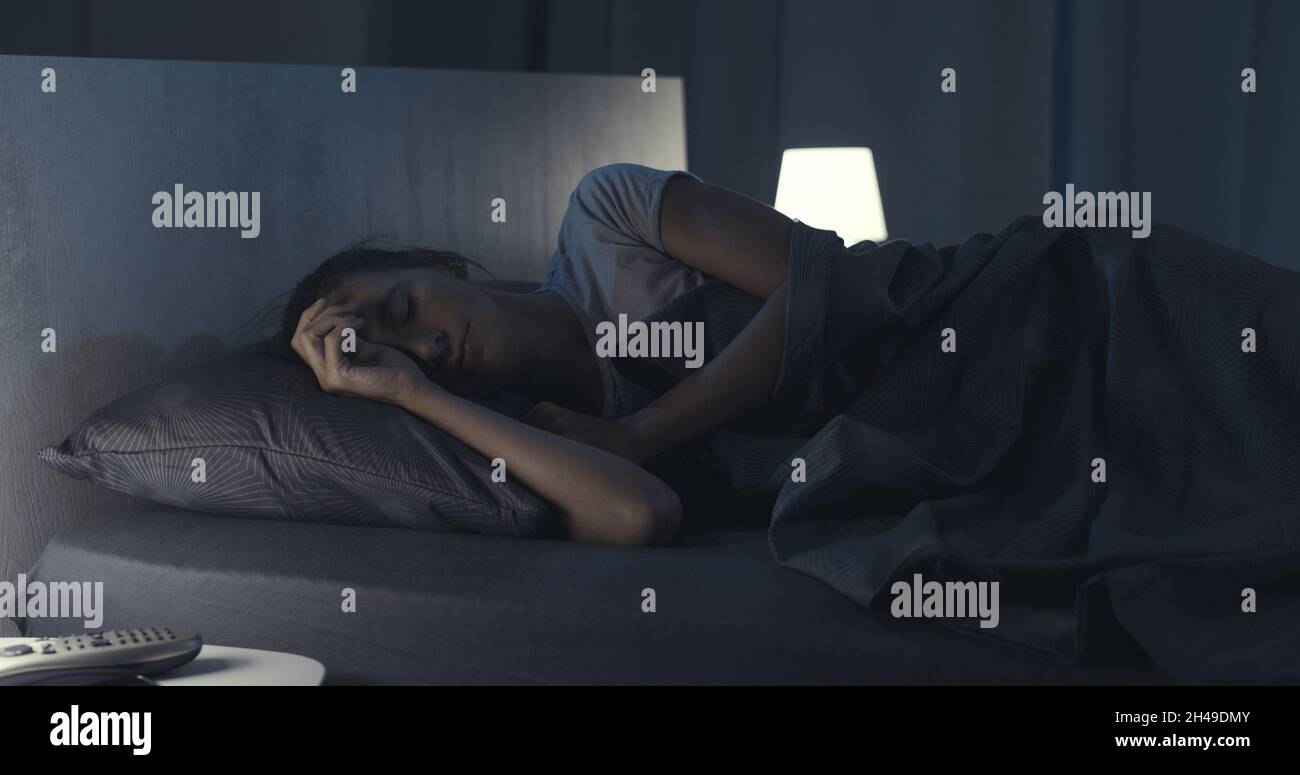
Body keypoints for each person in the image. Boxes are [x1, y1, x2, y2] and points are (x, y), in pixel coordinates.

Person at [283, 164, 794, 546]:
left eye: (406, 308)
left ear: (437, 264)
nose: (426, 347)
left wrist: (640, 433)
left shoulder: (605, 217)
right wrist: (411, 391)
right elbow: (640, 514)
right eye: (402, 358)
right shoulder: (529, 439)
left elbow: (824, 280)